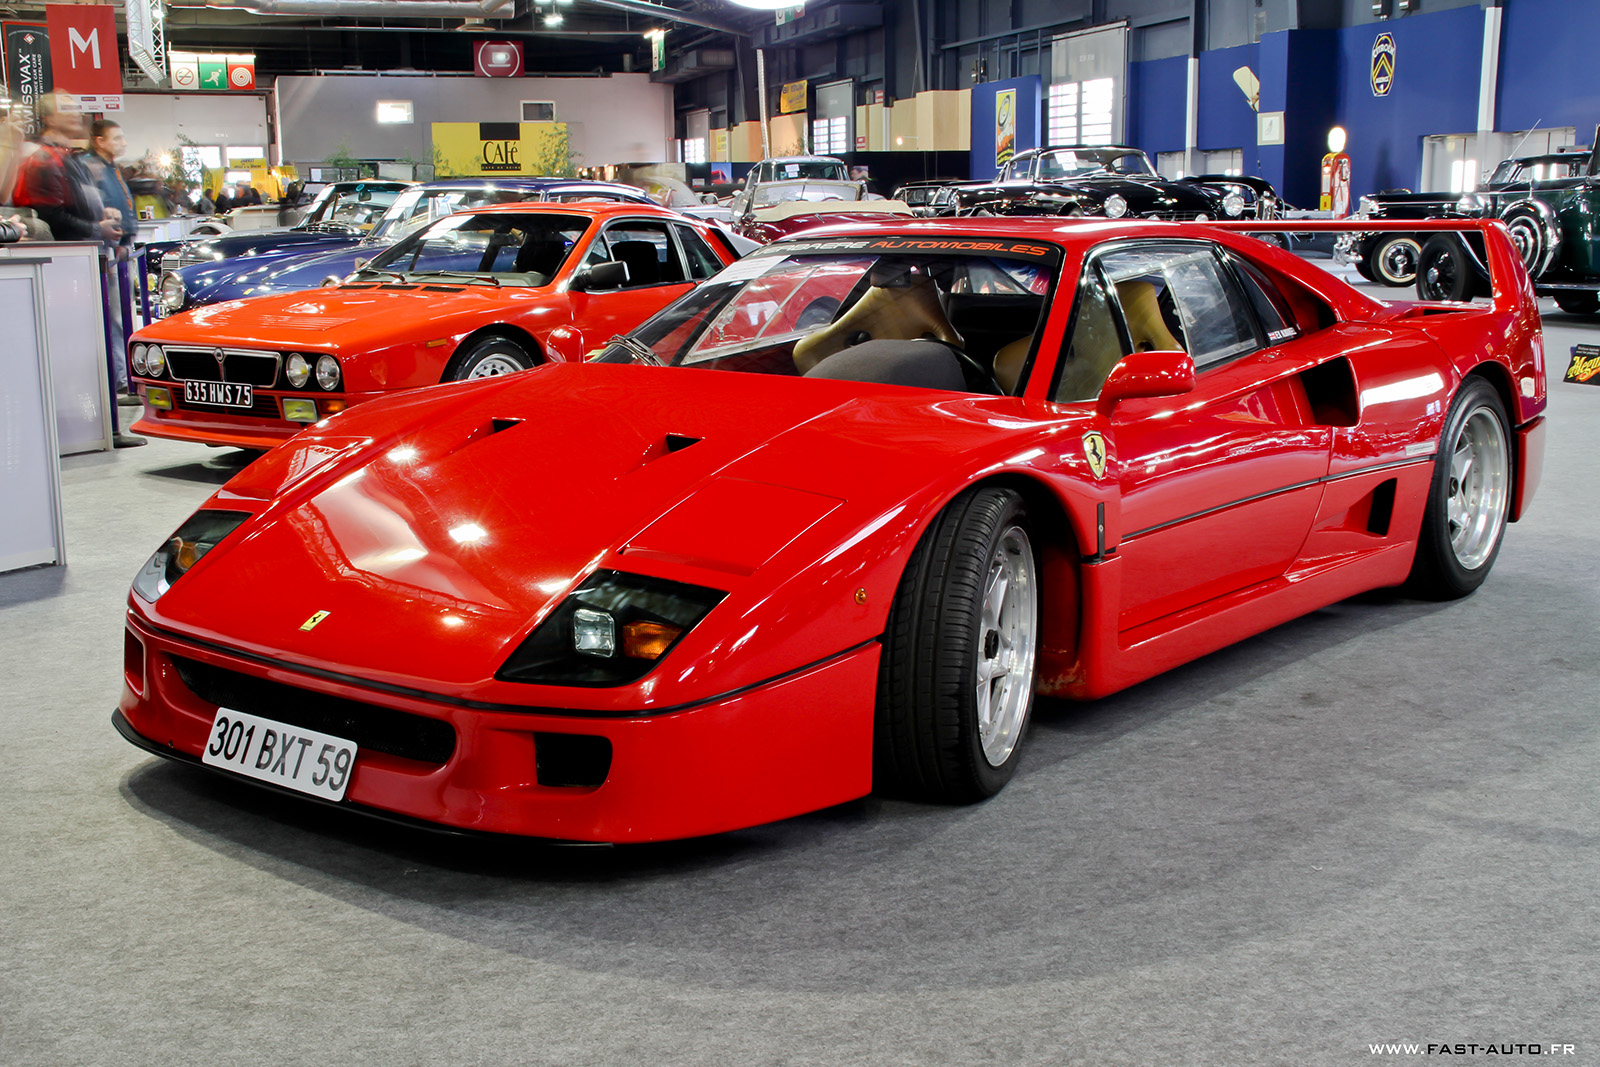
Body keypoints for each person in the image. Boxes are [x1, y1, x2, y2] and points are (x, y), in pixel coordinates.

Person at [10, 92, 116, 244]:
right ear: (50, 119)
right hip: (65, 253)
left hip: (83, 248)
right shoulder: (44, 158)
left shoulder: (68, 156)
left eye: (75, 109)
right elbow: (52, 216)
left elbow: (75, 203)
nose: (75, 114)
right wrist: (97, 228)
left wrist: (101, 213)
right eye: (66, 109)